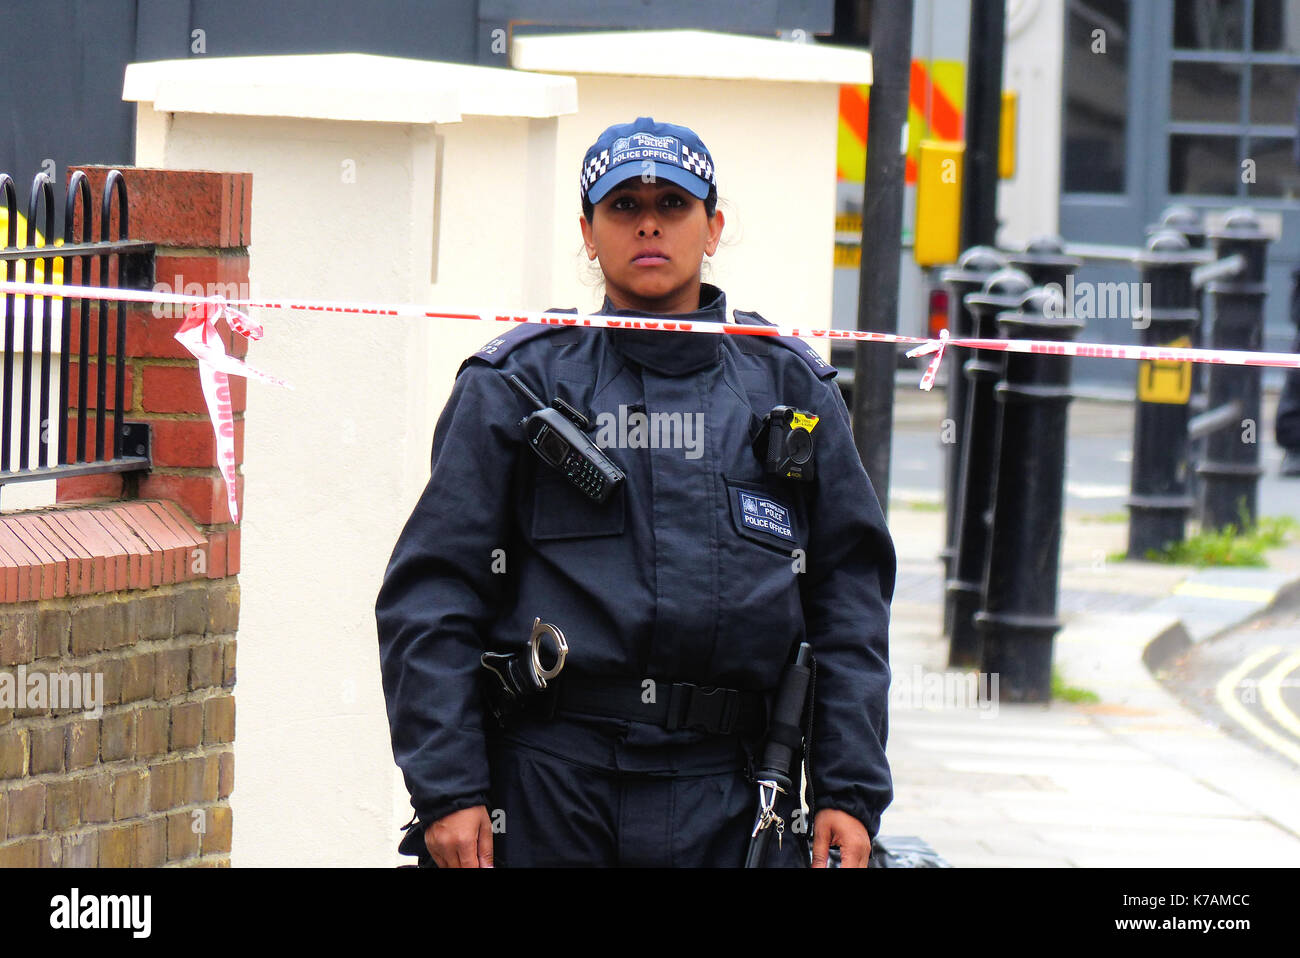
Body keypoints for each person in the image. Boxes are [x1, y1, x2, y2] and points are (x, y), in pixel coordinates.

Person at [375, 117, 895, 867]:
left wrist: (848, 792)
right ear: (587, 232)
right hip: (550, 786)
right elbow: (430, 596)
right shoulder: (518, 385)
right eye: (622, 206)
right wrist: (449, 790)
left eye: (673, 205)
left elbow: (849, 601)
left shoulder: (789, 387)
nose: (648, 222)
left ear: (713, 227)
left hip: (734, 797)